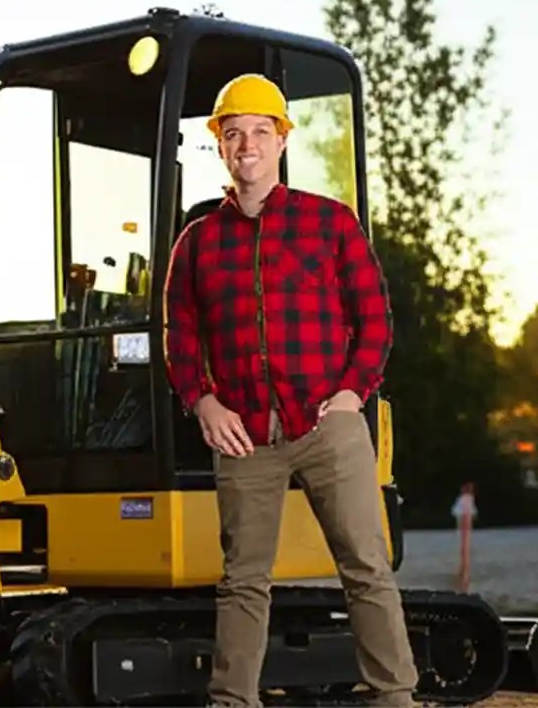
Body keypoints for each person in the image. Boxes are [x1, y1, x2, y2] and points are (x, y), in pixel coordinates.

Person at [163, 73, 419, 707]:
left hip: (328, 425)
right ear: (218, 145)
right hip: (245, 435)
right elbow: (180, 334)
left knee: (366, 569)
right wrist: (202, 400)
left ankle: (395, 699)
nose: (246, 145)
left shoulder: (330, 224)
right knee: (243, 583)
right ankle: (234, 703)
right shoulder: (197, 244)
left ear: (281, 140)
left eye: (259, 132)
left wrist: (355, 392)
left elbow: (375, 318)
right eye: (233, 133)